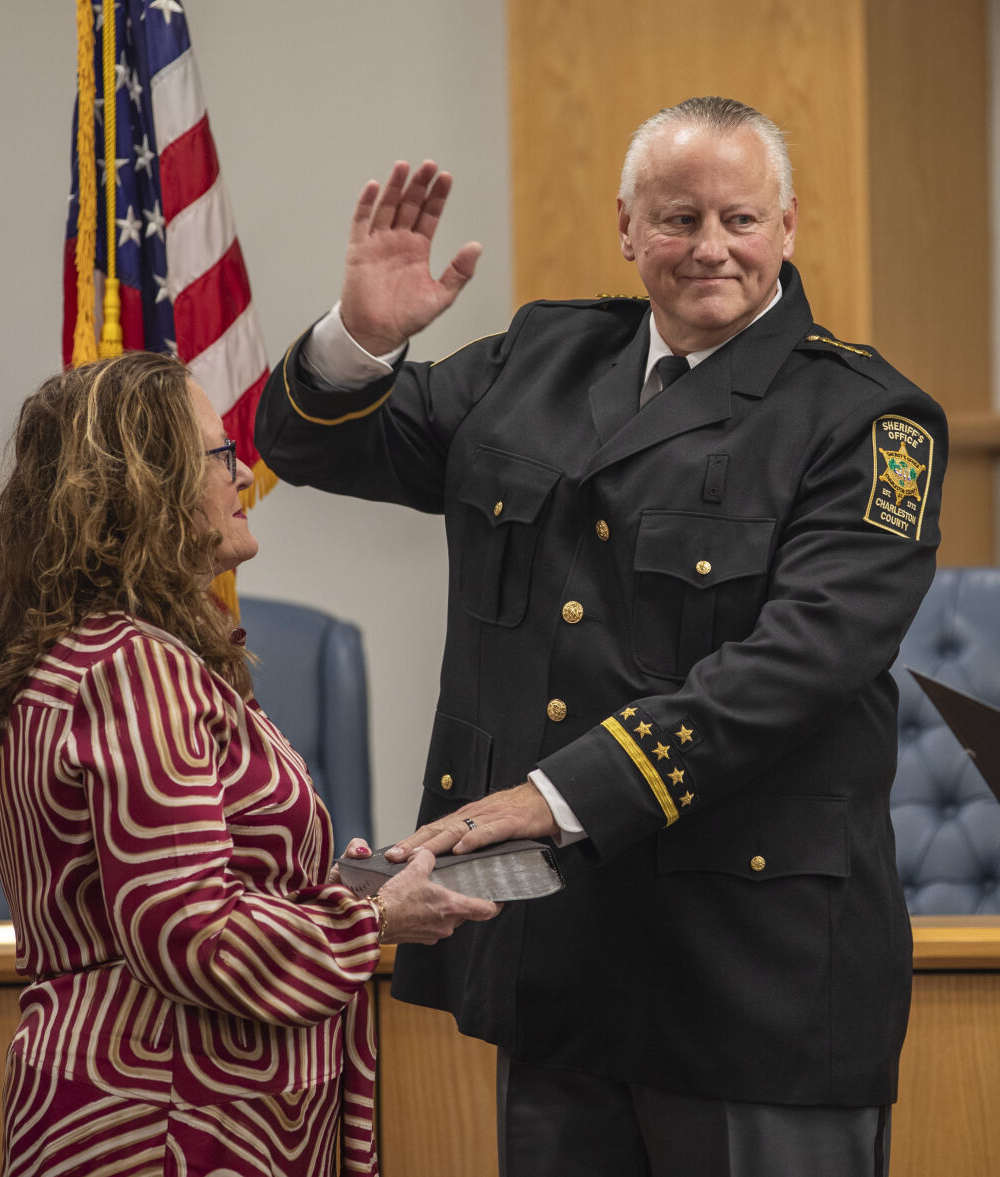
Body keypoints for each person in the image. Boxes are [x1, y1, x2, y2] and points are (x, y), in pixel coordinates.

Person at [254, 96, 945, 1175]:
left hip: (749, 976)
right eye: (677, 219)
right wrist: (365, 342)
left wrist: (557, 795)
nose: (711, 247)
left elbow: (801, 662)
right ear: (626, 228)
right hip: (557, 958)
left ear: (789, 226)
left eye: (741, 219)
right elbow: (312, 446)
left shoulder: (867, 419)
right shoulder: (542, 356)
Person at [0, 351, 498, 1176]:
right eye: (217, 453)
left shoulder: (79, 654)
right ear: (145, 482)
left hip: (136, 1094)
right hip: (171, 1114)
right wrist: (377, 919)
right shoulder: (132, 667)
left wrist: (323, 890)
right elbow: (191, 932)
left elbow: (181, 893)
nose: (243, 472)